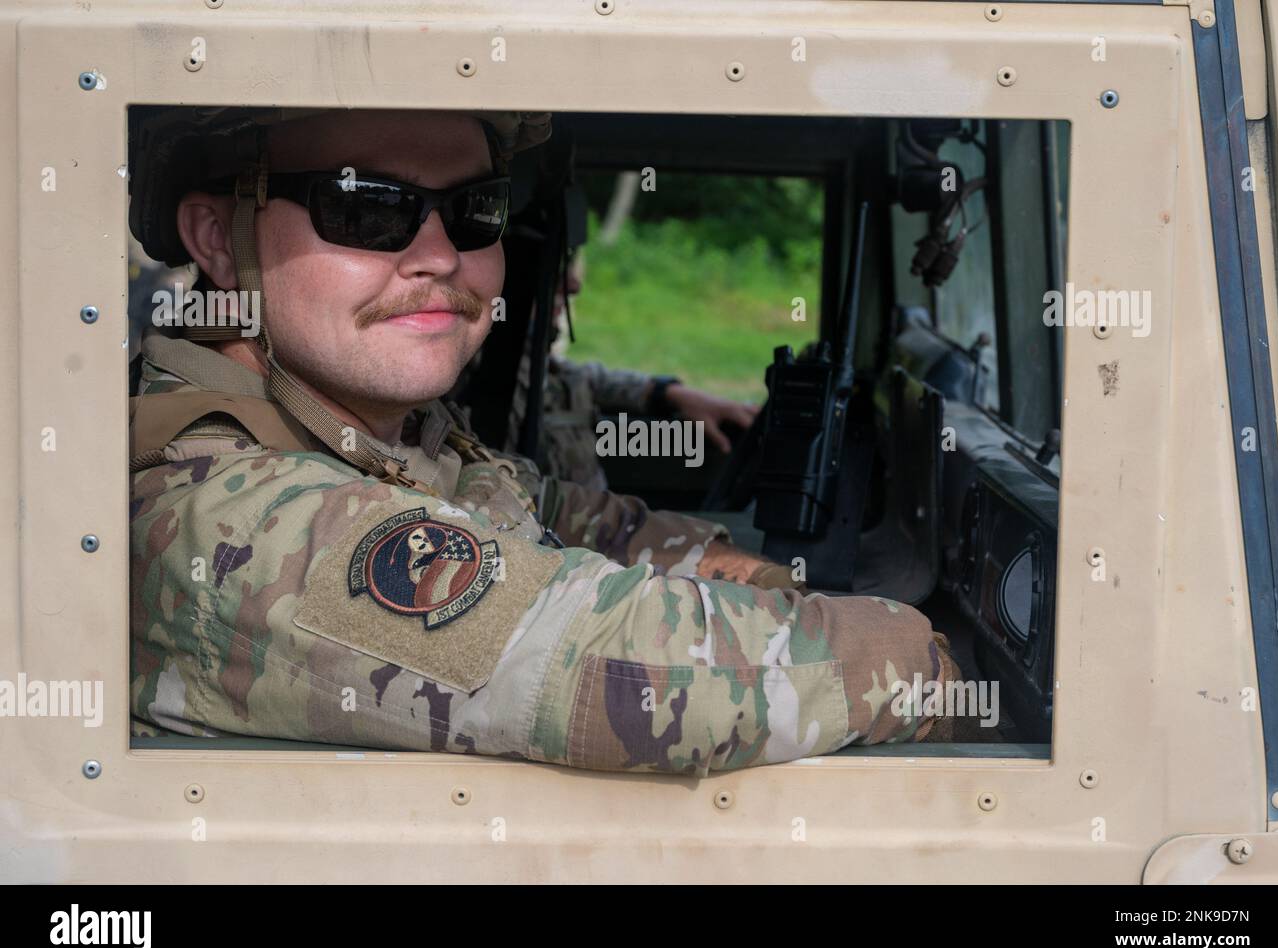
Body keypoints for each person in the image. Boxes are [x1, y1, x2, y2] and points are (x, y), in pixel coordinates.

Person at [126, 106, 957, 775]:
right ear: (214, 238)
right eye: (368, 206)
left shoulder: (382, 438)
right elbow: (648, 678)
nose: (441, 255)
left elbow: (560, 513)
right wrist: (914, 657)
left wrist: (765, 579)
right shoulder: (222, 514)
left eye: (472, 210)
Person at [502, 255, 760, 490]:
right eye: (550, 265)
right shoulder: (482, 390)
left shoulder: (543, 370)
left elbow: (588, 379)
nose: (573, 285)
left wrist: (667, 392)